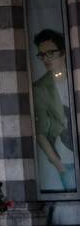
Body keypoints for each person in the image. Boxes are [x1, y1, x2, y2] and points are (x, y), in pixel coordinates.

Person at [32, 30, 77, 192]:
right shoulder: (40, 88)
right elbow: (40, 131)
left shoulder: (76, 76)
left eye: (50, 53)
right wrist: (60, 166)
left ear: (63, 53)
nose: (46, 59)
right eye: (42, 55)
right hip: (66, 158)